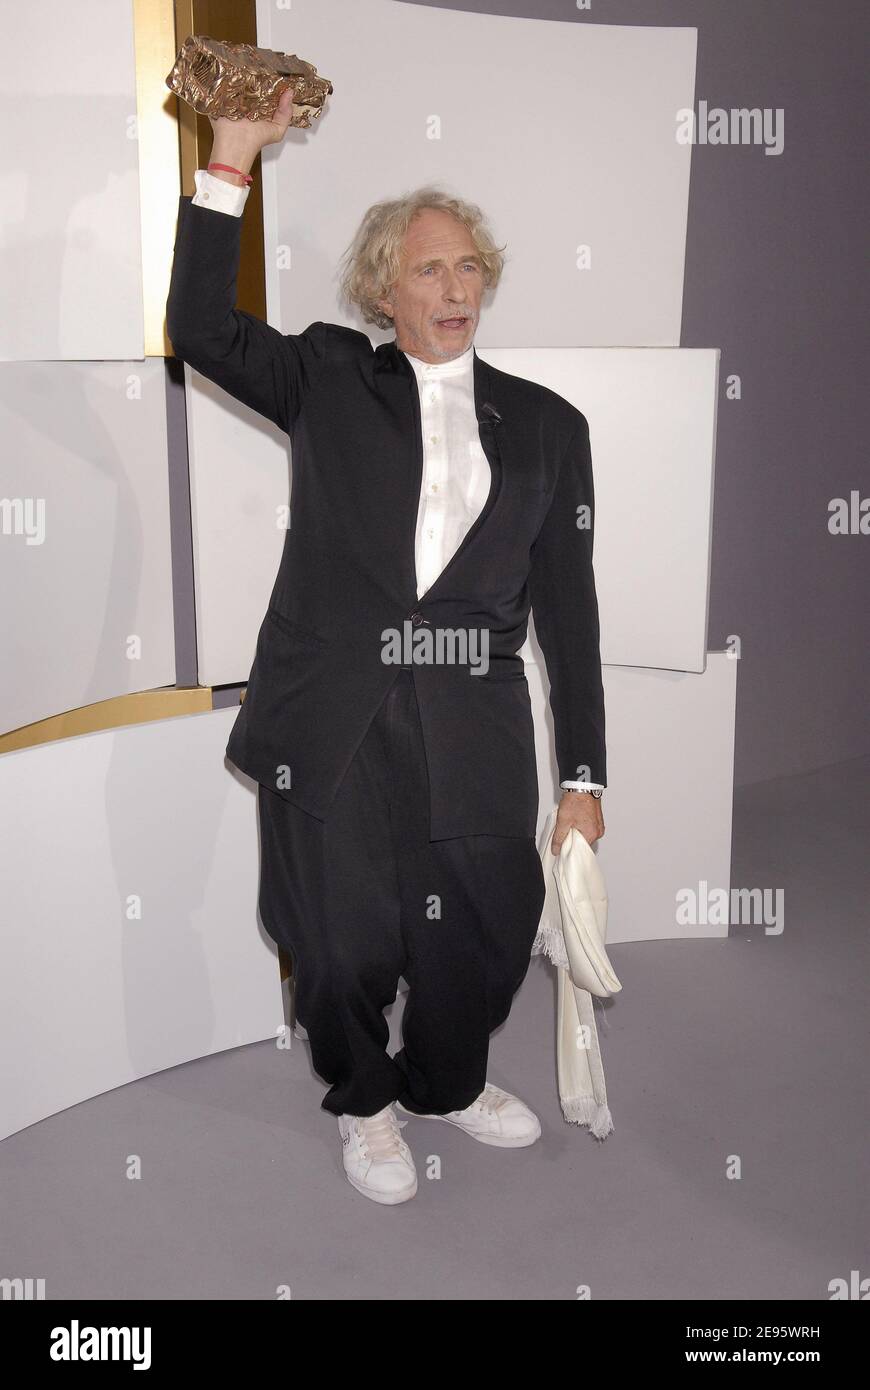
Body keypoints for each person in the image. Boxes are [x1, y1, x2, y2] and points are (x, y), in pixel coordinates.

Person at [166, 89, 606, 1205]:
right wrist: (232, 154)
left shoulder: (550, 426)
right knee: (341, 939)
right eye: (428, 270)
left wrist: (585, 776)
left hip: (473, 721)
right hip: (333, 718)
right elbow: (201, 329)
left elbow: (571, 613)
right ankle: (365, 1100)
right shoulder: (326, 378)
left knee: (488, 928)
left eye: (469, 268)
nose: (455, 289)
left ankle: (445, 1085)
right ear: (382, 291)